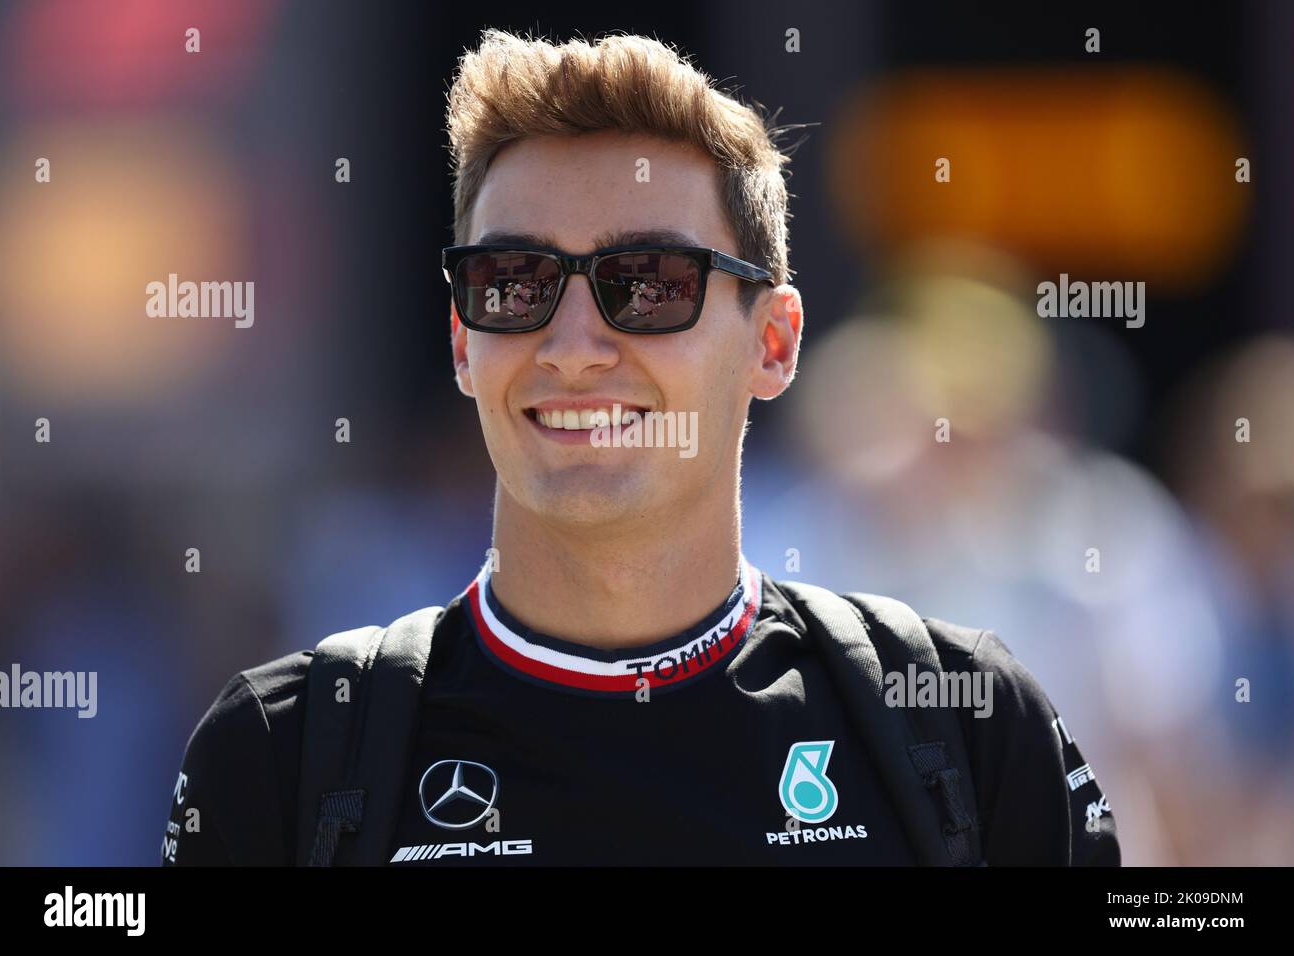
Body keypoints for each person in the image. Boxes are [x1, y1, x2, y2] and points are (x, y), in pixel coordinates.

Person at [160, 29, 1119, 867]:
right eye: (514, 282)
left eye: (651, 283)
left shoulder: (961, 723)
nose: (573, 349)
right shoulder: (287, 755)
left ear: (773, 343)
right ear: (463, 339)